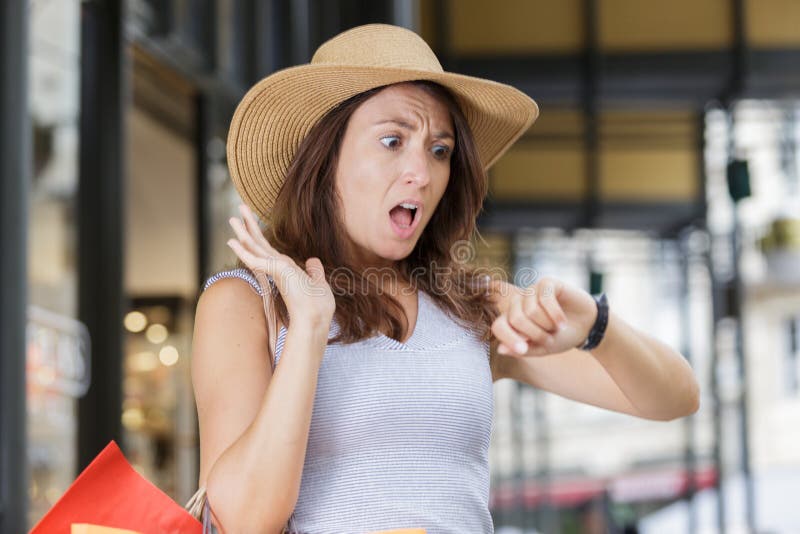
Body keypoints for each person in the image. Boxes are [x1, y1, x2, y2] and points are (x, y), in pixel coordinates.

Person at [191, 24, 700, 534]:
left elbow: (677, 397)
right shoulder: (247, 302)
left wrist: (595, 326)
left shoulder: (474, 307)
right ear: (325, 158)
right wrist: (307, 329)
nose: (422, 172)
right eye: (392, 141)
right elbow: (244, 519)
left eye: (440, 150)